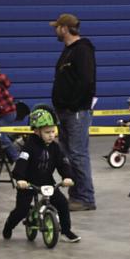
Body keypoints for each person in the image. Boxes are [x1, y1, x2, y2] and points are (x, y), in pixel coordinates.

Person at [2, 105, 80, 243]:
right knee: (22, 209)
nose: (51, 135)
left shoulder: (55, 147)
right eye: (47, 132)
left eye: (53, 131)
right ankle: (9, 226)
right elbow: (22, 162)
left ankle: (66, 231)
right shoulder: (30, 146)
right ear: (37, 131)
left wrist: (67, 176)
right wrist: (20, 179)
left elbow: (63, 162)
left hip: (46, 181)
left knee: (62, 203)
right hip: (28, 182)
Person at [50, 13, 96, 211]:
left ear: (65, 28)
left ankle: (86, 197)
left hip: (76, 112)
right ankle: (76, 195)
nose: (55, 31)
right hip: (65, 111)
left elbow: (87, 81)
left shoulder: (82, 50)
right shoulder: (68, 50)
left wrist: (74, 105)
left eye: (57, 27)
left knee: (78, 154)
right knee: (68, 154)